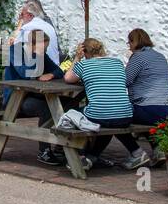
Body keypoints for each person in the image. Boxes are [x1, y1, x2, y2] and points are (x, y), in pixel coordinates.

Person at [64, 37, 135, 172]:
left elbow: (68, 78)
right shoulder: (117, 63)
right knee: (108, 119)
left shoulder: (84, 65)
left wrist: (76, 58)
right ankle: (93, 156)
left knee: (72, 115)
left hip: (101, 114)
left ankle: (81, 155)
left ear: (84, 52)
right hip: (126, 114)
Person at [14, 29, 69, 167]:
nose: (44, 52)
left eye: (44, 49)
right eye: (42, 48)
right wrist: (37, 56)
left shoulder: (41, 54)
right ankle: (44, 151)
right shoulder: (15, 51)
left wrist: (51, 75)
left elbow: (57, 70)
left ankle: (63, 146)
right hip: (17, 99)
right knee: (46, 109)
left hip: (36, 94)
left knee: (68, 104)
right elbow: (25, 74)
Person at [122, 28, 168, 168]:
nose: (129, 46)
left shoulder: (137, 57)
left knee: (116, 117)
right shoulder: (160, 56)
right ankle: (159, 150)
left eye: (129, 43)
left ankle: (136, 152)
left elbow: (125, 80)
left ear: (134, 42)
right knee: (143, 115)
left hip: (149, 108)